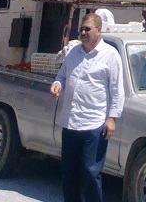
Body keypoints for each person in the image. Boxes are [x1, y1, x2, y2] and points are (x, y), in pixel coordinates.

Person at [50, 12, 125, 202]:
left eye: (87, 29)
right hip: (70, 122)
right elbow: (62, 76)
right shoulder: (74, 52)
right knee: (69, 172)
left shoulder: (111, 55)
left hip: (94, 124)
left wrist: (112, 118)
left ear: (99, 30)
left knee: (90, 172)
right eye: (81, 29)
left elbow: (117, 90)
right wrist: (58, 84)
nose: (83, 32)